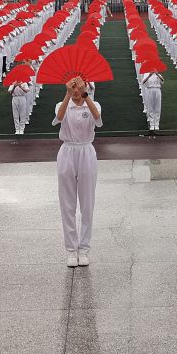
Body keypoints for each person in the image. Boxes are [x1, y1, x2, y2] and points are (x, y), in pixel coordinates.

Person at [54, 76, 101, 268]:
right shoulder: (62, 104)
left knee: (87, 203)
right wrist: (67, 95)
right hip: (67, 151)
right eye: (73, 87)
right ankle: (71, 250)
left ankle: (84, 249)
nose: (76, 91)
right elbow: (59, 118)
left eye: (79, 87)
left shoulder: (93, 104)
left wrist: (85, 95)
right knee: (67, 204)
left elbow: (97, 118)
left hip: (86, 151)